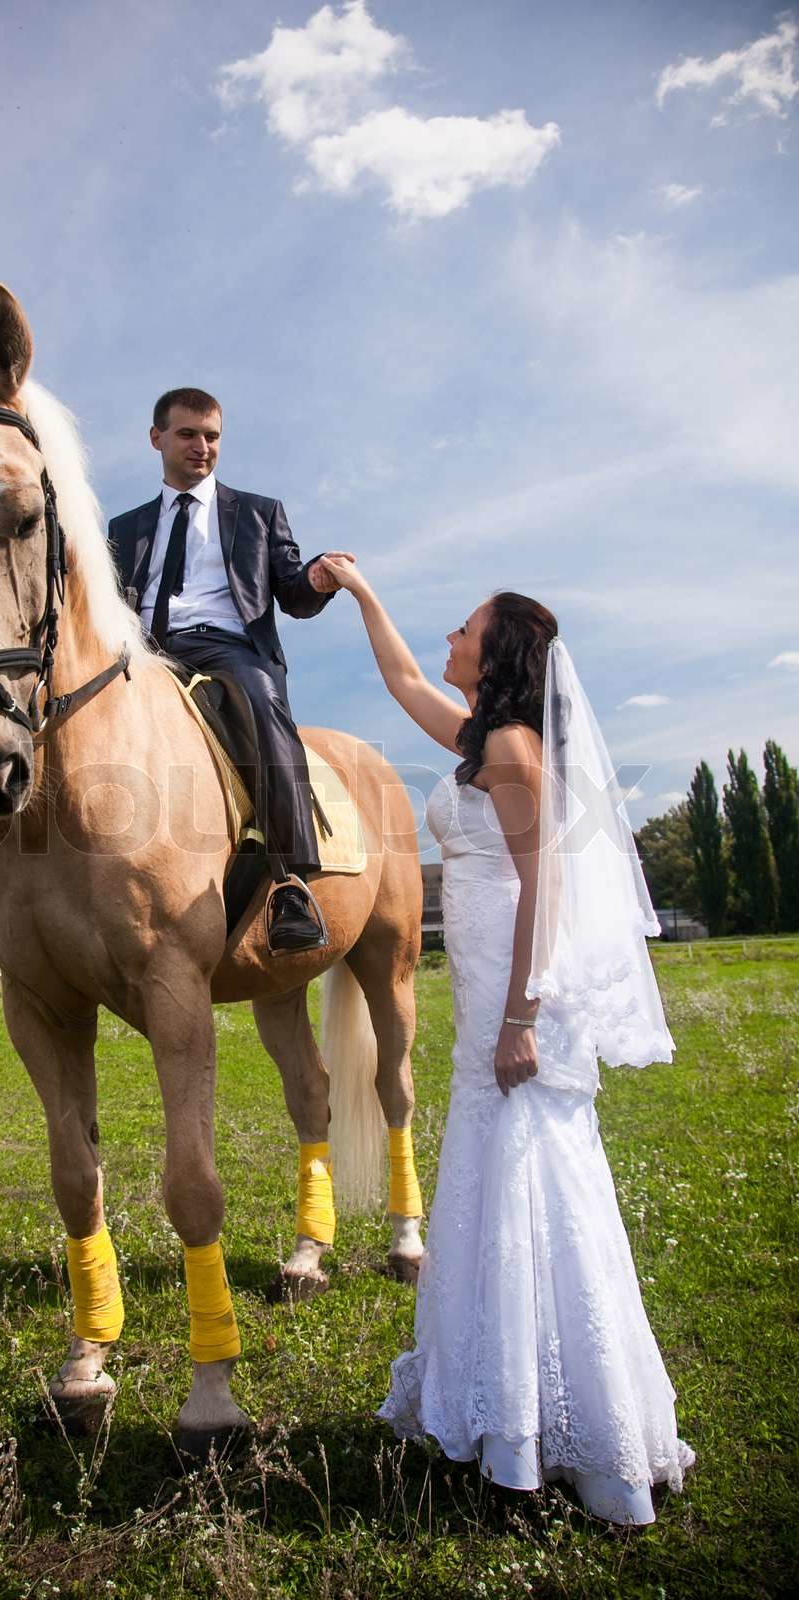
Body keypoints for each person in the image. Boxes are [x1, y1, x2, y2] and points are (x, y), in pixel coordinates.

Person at [319, 557, 695, 1525]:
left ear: (496, 655)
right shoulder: (480, 738)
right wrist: (361, 594)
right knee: (489, 1184)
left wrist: (522, 1015)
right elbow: (404, 680)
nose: (447, 641)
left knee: (533, 1182)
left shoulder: (515, 750)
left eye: (462, 628)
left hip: (515, 1005)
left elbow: (547, 887)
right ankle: (498, 1409)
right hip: (488, 998)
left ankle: (547, 1435)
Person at [109, 388, 351, 953]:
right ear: (157, 438)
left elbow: (291, 590)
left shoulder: (260, 513)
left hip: (228, 644)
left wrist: (316, 579)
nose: (202, 446)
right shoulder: (124, 528)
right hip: (142, 648)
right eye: (188, 434)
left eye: (212, 436)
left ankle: (291, 883)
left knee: (262, 703)